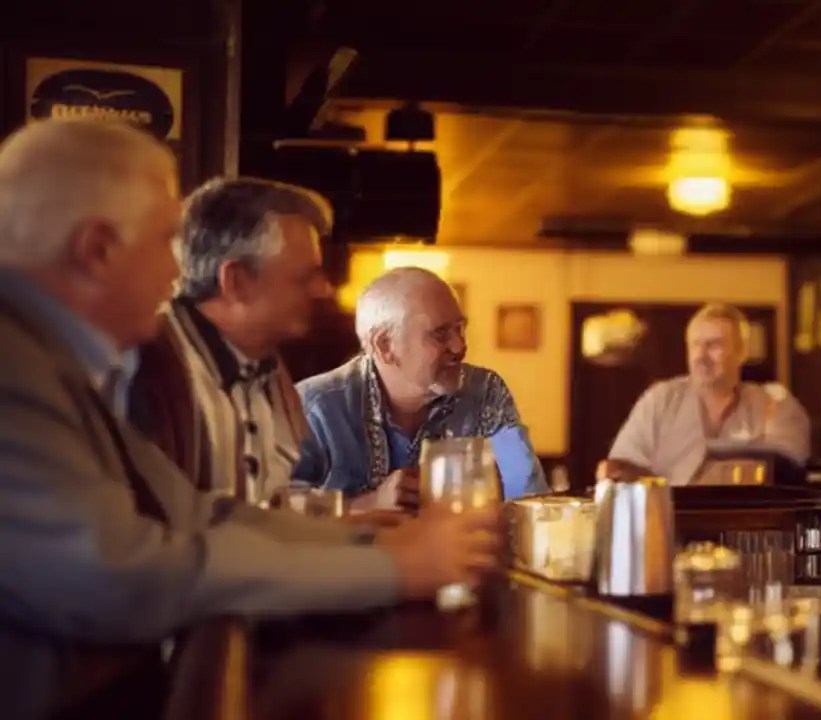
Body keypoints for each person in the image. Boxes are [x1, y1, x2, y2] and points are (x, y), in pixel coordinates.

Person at [0, 119, 499, 720]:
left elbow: (198, 511)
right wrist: (393, 566)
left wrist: (376, 539)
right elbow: (119, 576)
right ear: (97, 249)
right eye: (165, 243)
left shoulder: (48, 358)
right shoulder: (15, 369)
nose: (177, 274)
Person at [128, 176, 338, 506]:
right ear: (237, 281)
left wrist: (355, 533)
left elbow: (266, 511)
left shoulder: (265, 368)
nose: (323, 290)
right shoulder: (146, 369)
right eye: (304, 277)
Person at [295, 267, 548, 505]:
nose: (459, 346)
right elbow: (271, 521)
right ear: (385, 346)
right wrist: (369, 504)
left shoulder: (485, 392)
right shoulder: (313, 407)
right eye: (440, 334)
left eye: (460, 329)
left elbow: (528, 497)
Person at [603, 302, 811, 486]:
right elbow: (619, 467)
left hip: (747, 524)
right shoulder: (660, 400)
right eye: (695, 345)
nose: (700, 356)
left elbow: (791, 469)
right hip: (669, 523)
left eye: (714, 345)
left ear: (741, 352)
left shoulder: (773, 405)